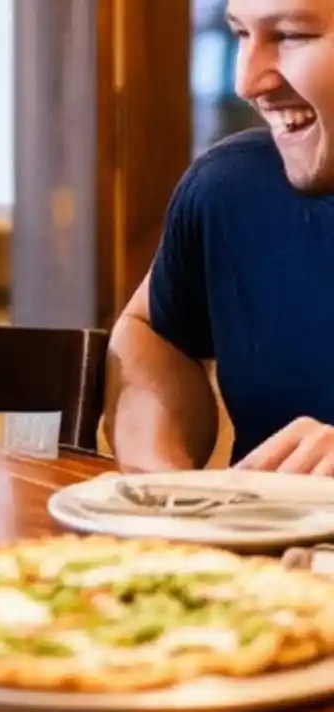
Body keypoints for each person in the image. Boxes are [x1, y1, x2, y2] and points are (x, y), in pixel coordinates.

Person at [105, 0, 334, 474]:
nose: (246, 82)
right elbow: (152, 330)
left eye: (291, 35)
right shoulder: (230, 191)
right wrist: (163, 480)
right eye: (240, 35)